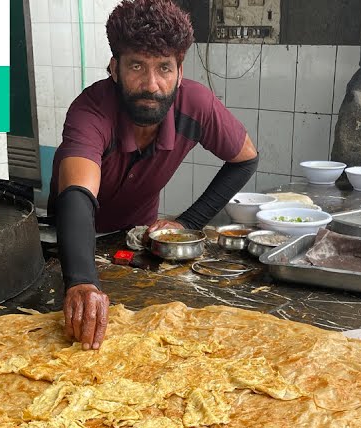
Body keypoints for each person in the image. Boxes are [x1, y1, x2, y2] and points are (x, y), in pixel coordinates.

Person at [51, 0, 259, 349]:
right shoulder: (91, 110)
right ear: (114, 68)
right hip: (76, 249)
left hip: (138, 245)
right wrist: (82, 282)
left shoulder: (197, 104)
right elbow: (76, 193)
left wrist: (187, 221)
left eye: (164, 68)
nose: (151, 84)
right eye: (136, 66)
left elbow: (245, 159)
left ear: (180, 70)